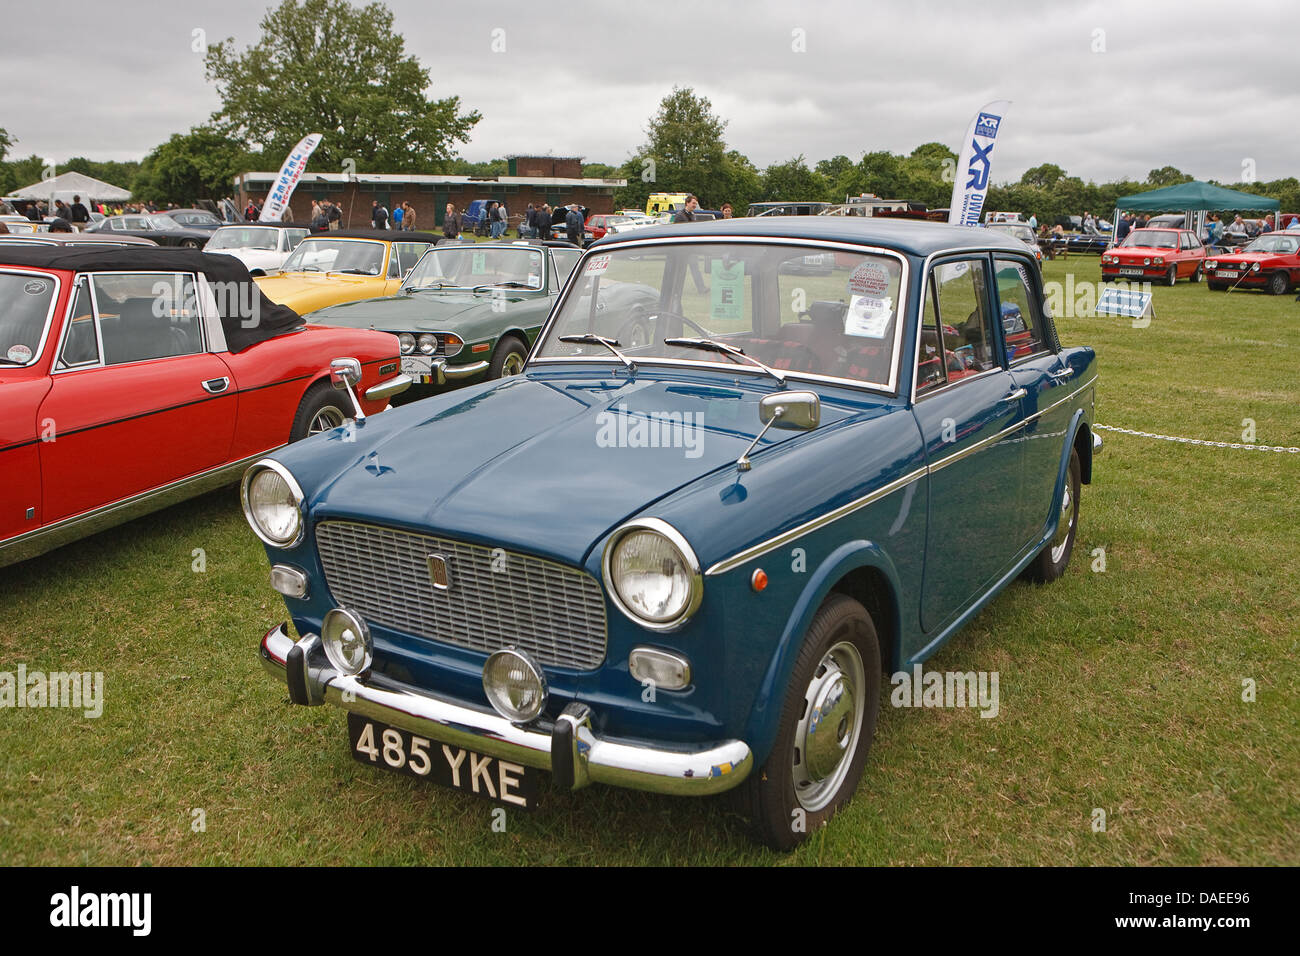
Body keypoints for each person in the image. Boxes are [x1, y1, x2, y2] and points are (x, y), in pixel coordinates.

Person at [674, 196, 708, 292]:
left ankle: (701, 288)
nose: (695, 205)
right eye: (693, 203)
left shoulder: (693, 215)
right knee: (681, 270)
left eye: (695, 203)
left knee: (695, 268)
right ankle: (677, 289)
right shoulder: (680, 216)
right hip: (682, 249)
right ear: (687, 203)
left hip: (691, 249)